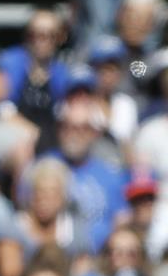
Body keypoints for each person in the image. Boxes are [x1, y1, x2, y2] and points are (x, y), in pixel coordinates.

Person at [35, 96, 131, 255]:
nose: (75, 134)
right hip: (54, 257)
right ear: (59, 129)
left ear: (94, 133)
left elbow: (121, 221)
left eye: (83, 128)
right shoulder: (42, 166)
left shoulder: (112, 174)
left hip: (100, 258)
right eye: (69, 127)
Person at [0, 10, 78, 140]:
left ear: (60, 38)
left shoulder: (63, 73)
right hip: (14, 140)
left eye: (49, 36)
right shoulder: (9, 63)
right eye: (34, 35)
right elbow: (2, 110)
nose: (41, 41)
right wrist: (33, 133)